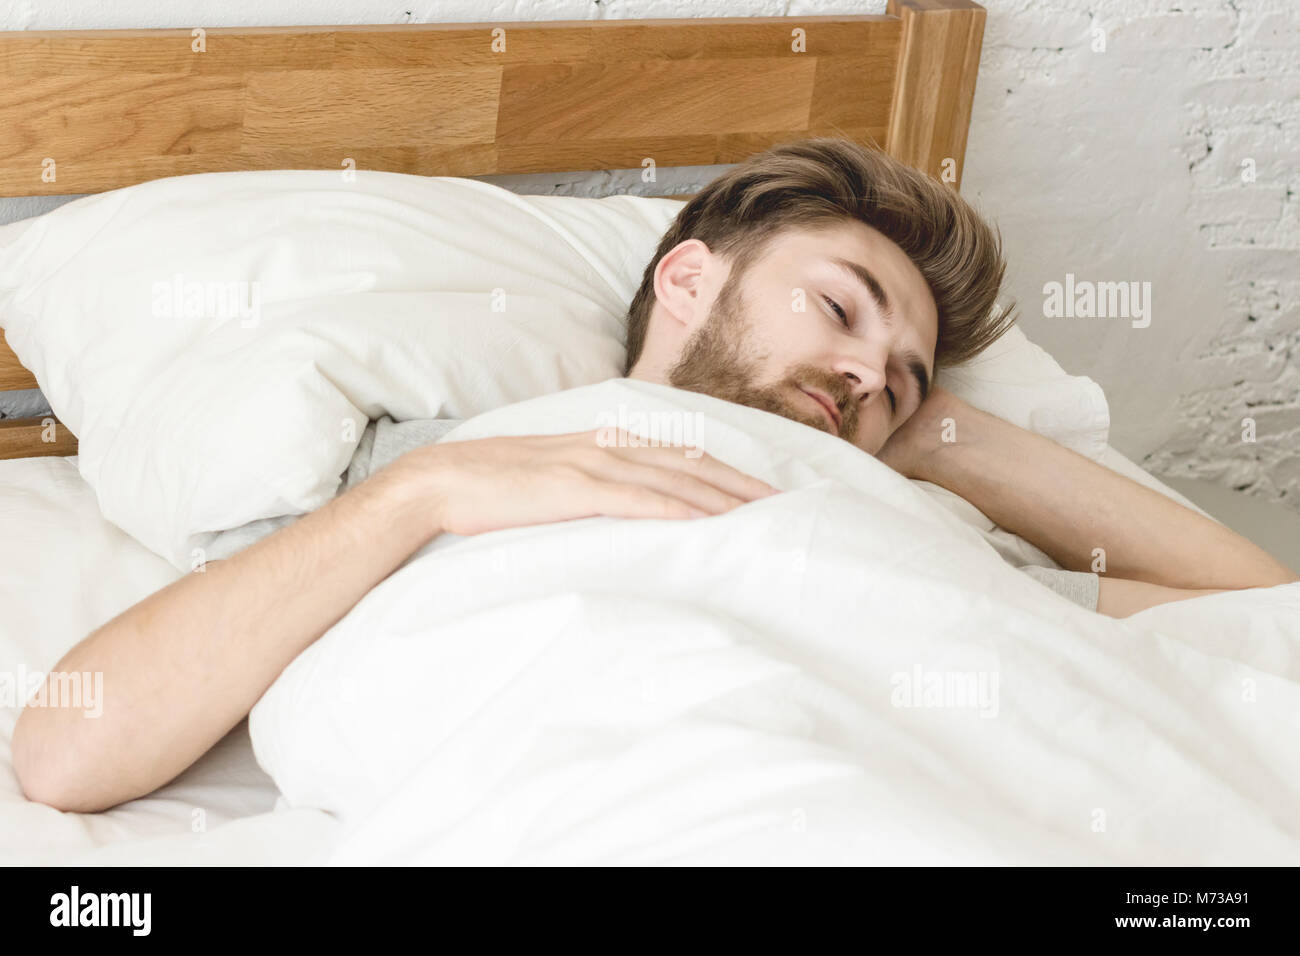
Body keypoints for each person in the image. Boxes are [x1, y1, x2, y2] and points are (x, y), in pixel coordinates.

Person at [14, 139, 1296, 813]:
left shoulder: (911, 523)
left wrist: (944, 439)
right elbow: (68, 754)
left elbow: (1259, 610)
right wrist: (426, 493)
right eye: (840, 308)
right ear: (688, 278)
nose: (866, 372)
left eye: (903, 372)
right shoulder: (436, 460)